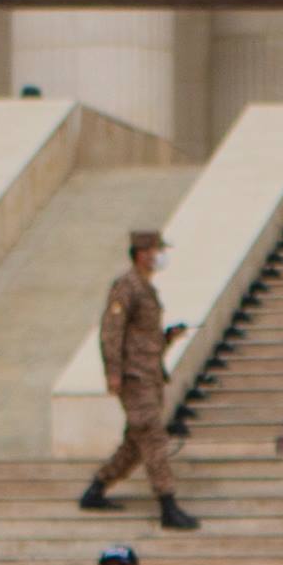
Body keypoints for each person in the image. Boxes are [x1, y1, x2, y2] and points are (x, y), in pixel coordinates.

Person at [79, 226, 202, 530]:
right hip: (134, 378)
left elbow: (142, 339)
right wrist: (114, 372)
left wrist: (168, 338)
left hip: (149, 376)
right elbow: (112, 332)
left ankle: (96, 488)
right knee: (153, 437)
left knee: (136, 442)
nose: (159, 257)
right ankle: (167, 504)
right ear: (142, 254)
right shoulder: (127, 287)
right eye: (156, 251)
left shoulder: (146, 289)